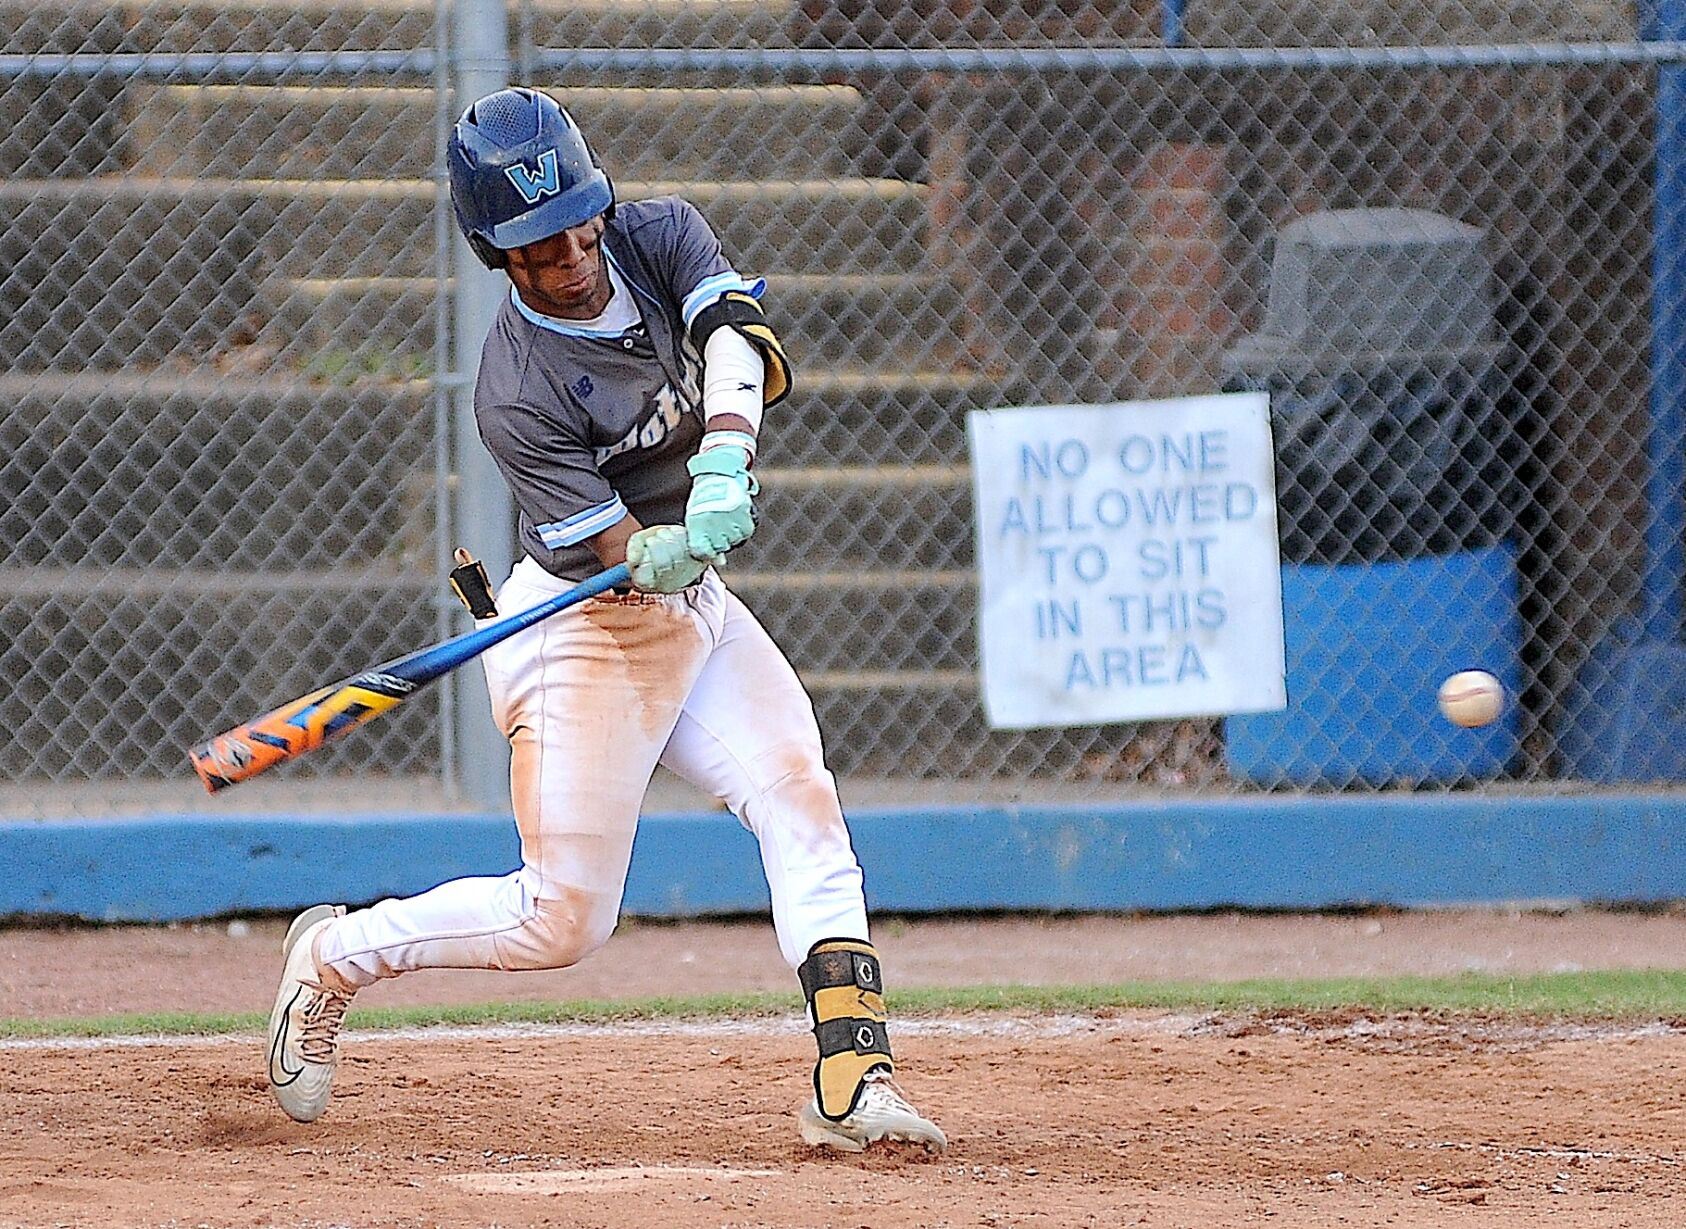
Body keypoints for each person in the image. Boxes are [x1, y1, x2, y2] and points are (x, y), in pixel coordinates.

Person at [263, 86, 945, 1155]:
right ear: (495, 250)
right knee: (562, 919)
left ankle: (852, 1077)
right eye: (535, 245)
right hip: (587, 626)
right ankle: (337, 954)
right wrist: (655, 544)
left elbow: (734, 335)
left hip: (693, 607)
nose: (570, 255)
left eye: (576, 222)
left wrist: (723, 456)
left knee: (798, 792)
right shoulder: (516, 389)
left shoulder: (656, 231)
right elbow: (622, 548)